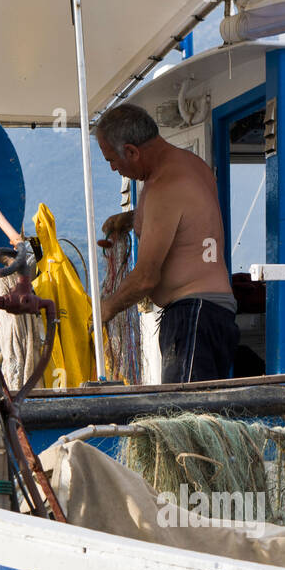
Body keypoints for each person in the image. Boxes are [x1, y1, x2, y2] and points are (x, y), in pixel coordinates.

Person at [95, 102, 239, 383]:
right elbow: (189, 218)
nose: (113, 168)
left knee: (184, 417)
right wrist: (132, 218)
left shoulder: (165, 186)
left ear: (132, 151)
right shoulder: (190, 165)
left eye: (111, 160)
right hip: (208, 313)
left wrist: (106, 308)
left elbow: (146, 278)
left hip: (194, 316)